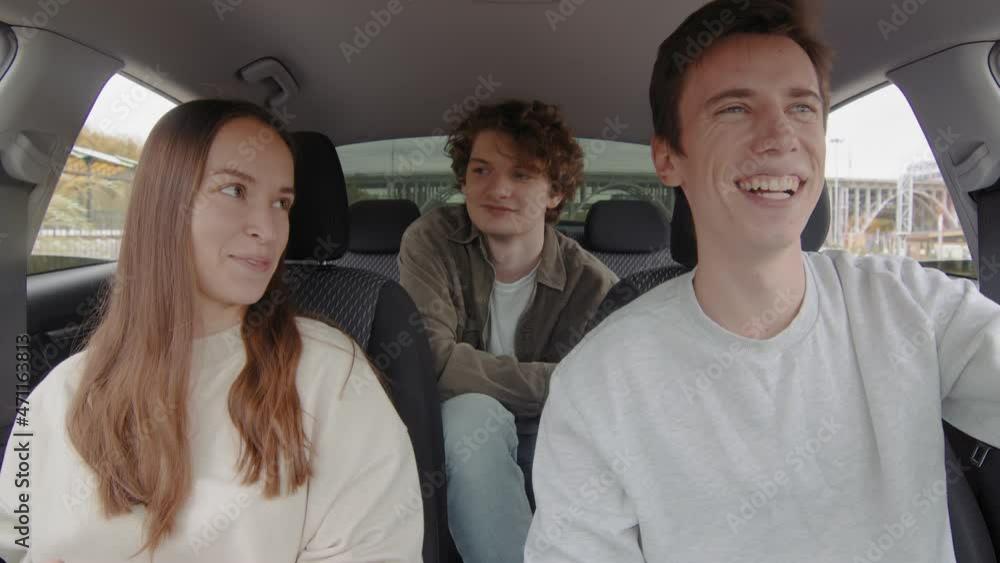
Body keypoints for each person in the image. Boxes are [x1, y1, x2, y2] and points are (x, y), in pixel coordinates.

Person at [526, 1, 1000, 561]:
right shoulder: (598, 385)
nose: (780, 136)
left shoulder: (912, 305)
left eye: (802, 108)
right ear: (668, 158)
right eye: (734, 109)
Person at [0, 100, 422, 562]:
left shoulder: (331, 375)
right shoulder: (63, 392)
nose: (268, 228)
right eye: (235, 190)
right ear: (165, 204)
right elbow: (15, 542)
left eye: (282, 203)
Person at [398, 99, 618, 563]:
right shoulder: (432, 240)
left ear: (555, 193)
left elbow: (601, 394)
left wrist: (562, 389)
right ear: (463, 180)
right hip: (456, 434)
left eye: (521, 174)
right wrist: (557, 380)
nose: (497, 188)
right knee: (472, 415)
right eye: (481, 170)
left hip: (555, 439)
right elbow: (433, 362)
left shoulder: (593, 285)